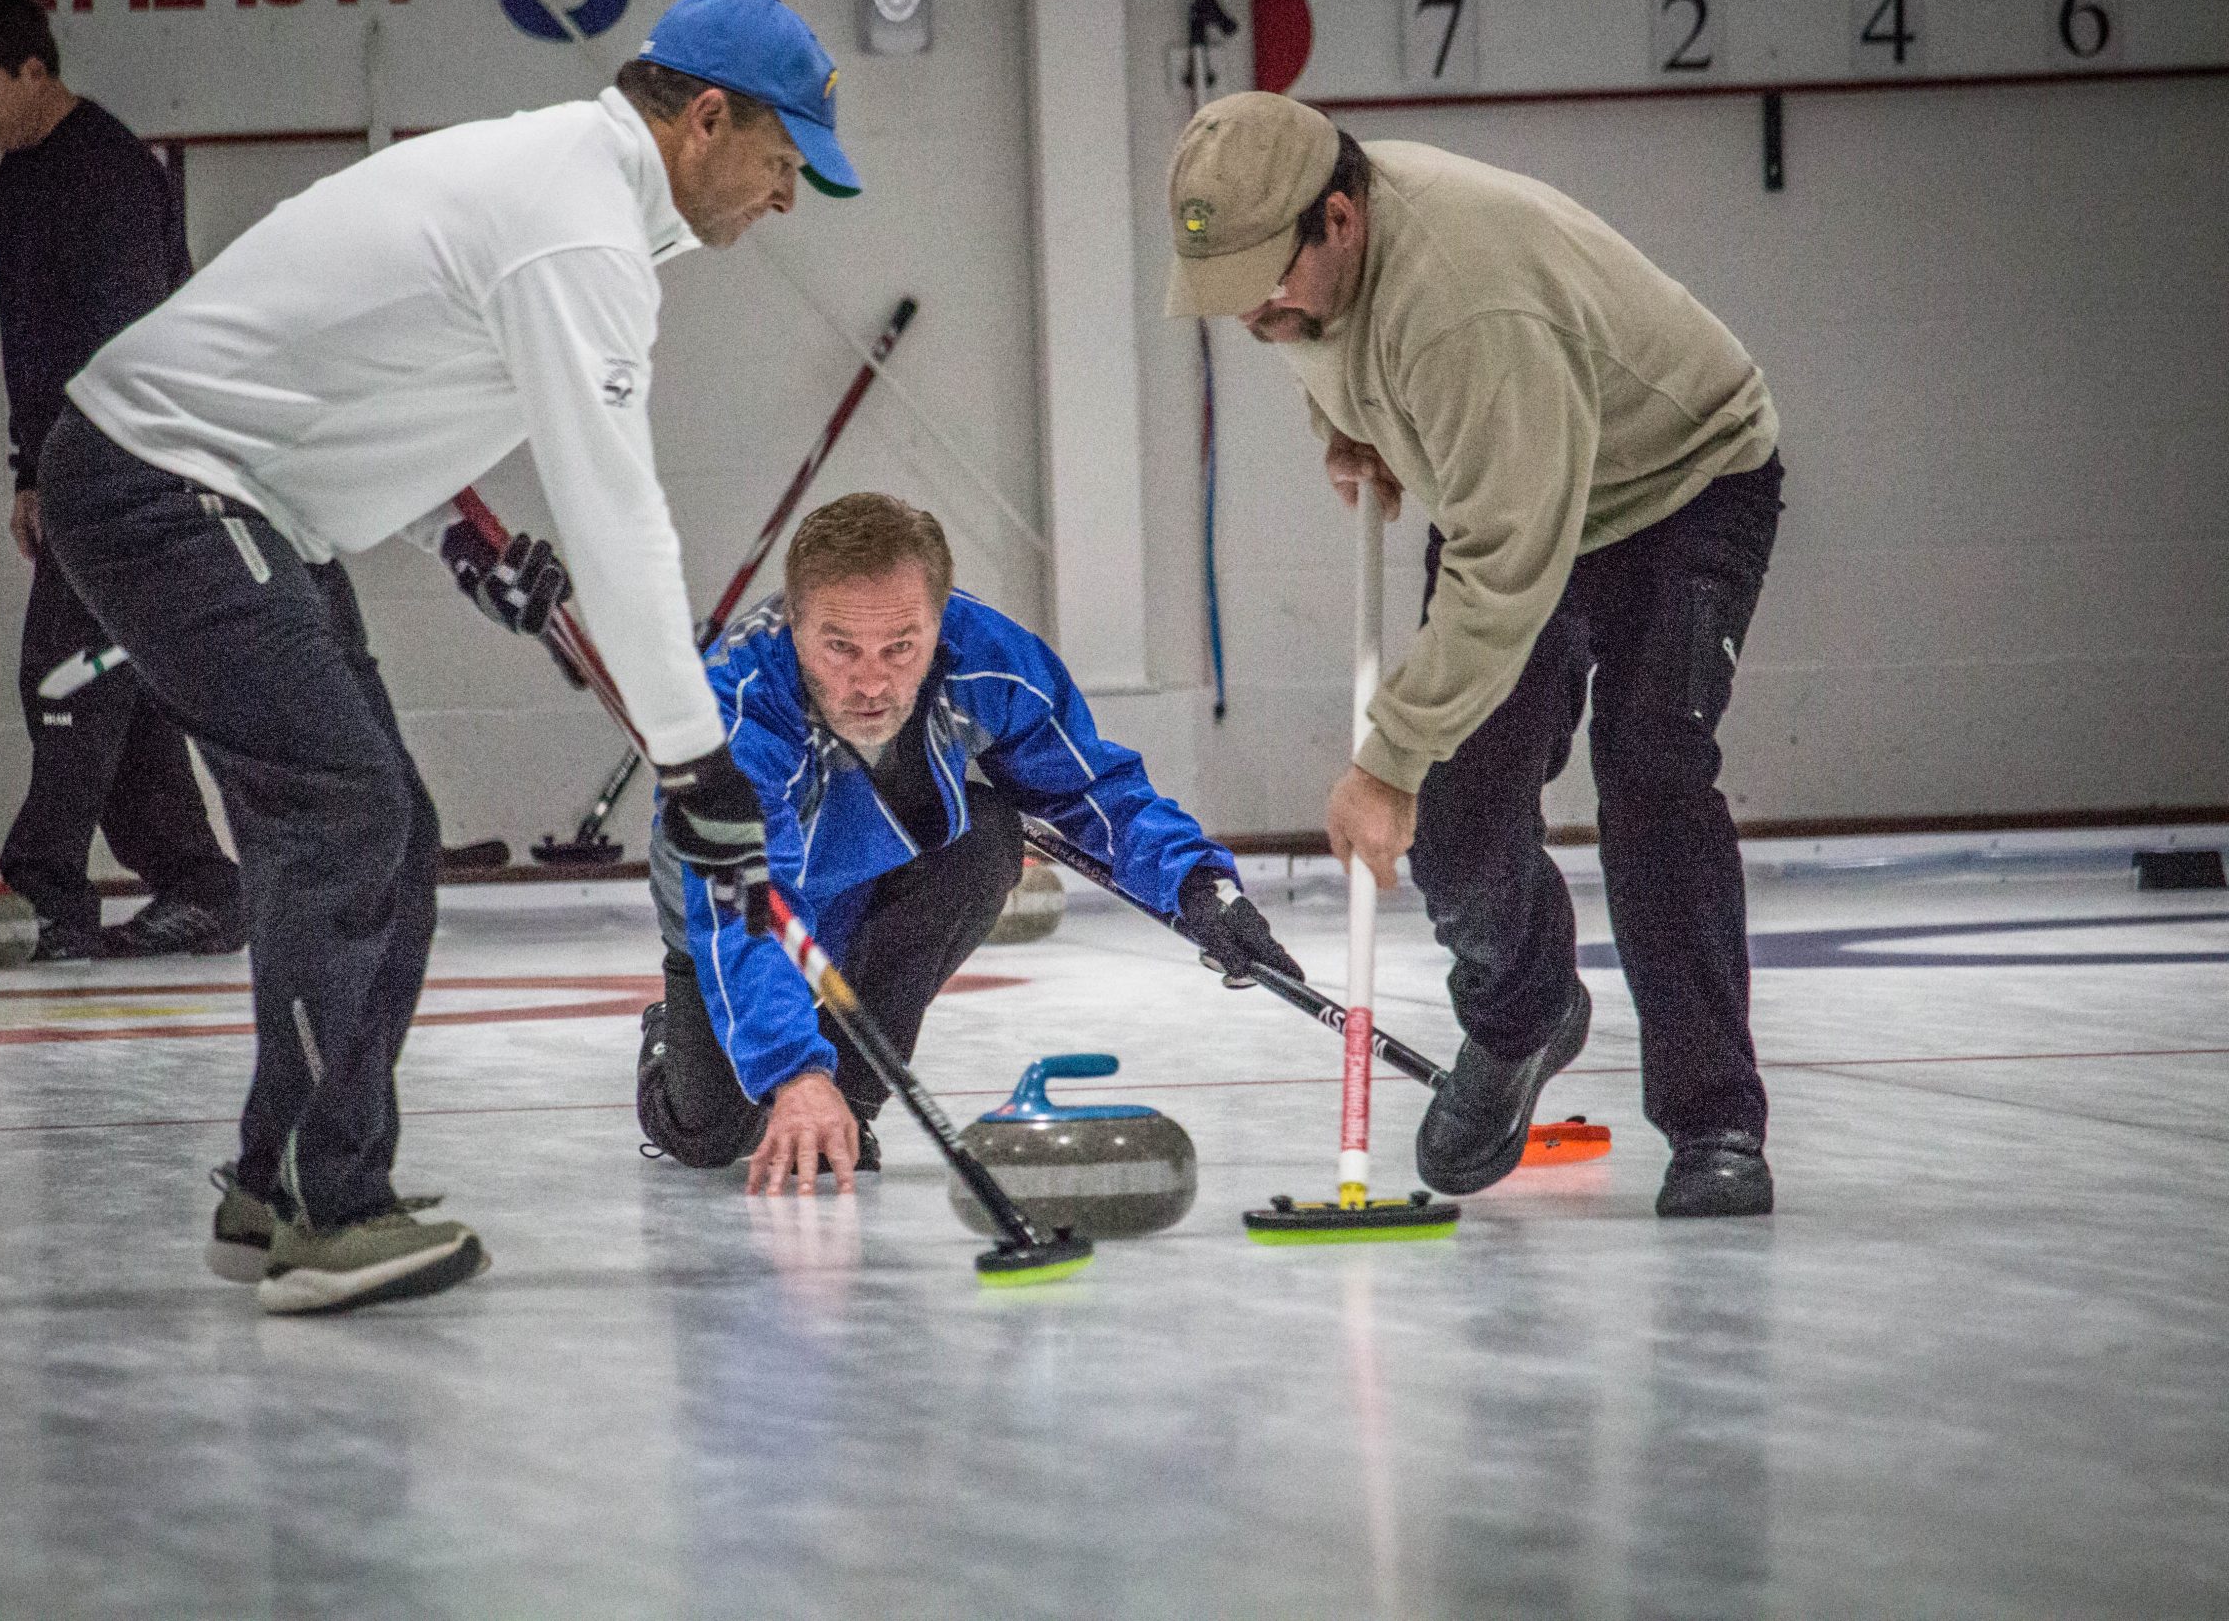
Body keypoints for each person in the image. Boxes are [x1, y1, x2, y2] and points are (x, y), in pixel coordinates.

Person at [35, 0, 860, 1311]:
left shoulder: (565, 201)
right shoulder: (576, 226)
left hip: (234, 496)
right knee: (348, 808)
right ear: (707, 119)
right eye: (786, 159)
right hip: (167, 480)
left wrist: (457, 538)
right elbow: (616, 508)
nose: (790, 197)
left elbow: (363, 376)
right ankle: (324, 1206)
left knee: (387, 823)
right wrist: (698, 764)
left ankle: (275, 1188)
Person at [1166, 93, 1784, 1218]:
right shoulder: (1305, 283)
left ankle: (1713, 1123)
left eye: (1265, 277)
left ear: (1340, 221)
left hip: (1680, 483)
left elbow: (1509, 558)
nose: (1252, 309)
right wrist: (1351, 431)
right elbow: (1331, 350)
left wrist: (1384, 758)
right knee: (1461, 825)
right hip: (1512, 480)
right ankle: (1525, 1012)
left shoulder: (1465, 302)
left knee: (1649, 774)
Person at [635, 492, 1302, 1193]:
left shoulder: (989, 657)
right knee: (711, 1135)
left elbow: (1092, 789)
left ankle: (854, 1102)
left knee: (988, 839)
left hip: (882, 864)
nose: (870, 681)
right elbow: (743, 905)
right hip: (734, 898)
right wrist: (794, 1071)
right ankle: (668, 1036)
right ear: (795, 623)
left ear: (940, 620)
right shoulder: (739, 703)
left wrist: (1200, 886)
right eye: (840, 646)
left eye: (901, 646)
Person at [0, 0, 243, 962]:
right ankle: (201, 888)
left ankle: (47, 895)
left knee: (64, 676)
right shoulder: (17, 184)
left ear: (34, 71)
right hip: (70, 470)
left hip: (129, 468)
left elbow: (122, 342)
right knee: (114, 684)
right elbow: (30, 346)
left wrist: (82, 477)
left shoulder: (105, 173)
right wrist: (29, 473)